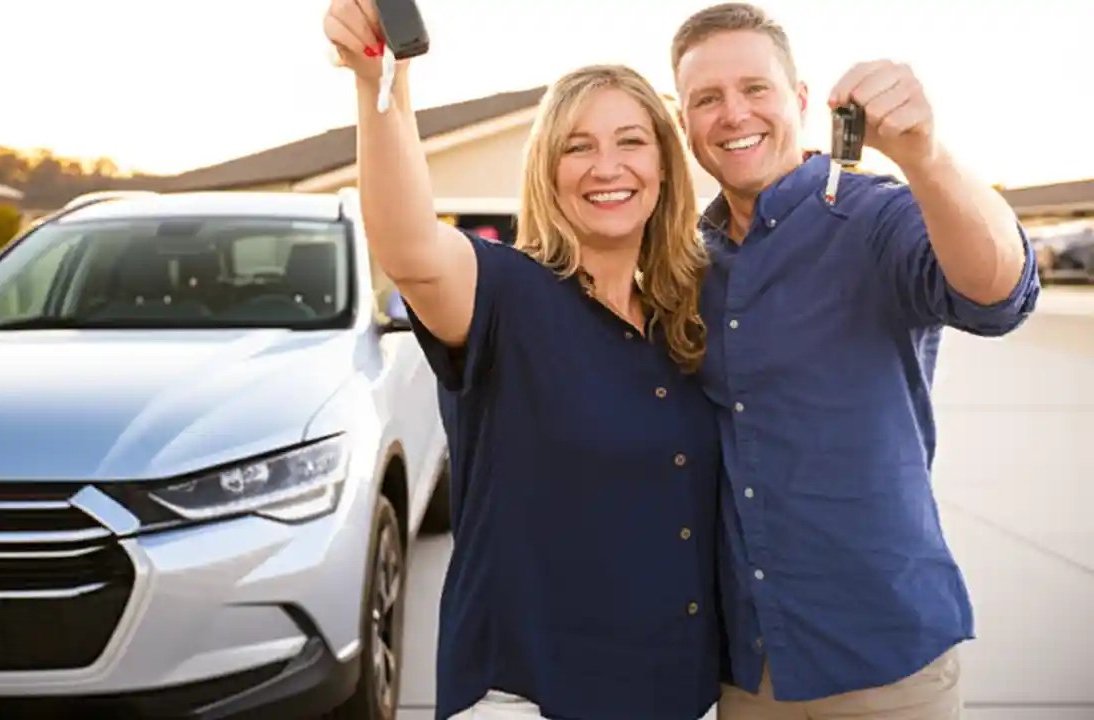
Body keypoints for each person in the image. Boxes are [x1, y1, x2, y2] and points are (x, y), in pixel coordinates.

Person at [323, 2, 726, 718]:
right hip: (527, 694)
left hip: (673, 690)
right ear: (549, 170)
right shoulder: (504, 294)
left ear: (664, 164)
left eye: (630, 141)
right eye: (578, 147)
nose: (607, 167)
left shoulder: (686, 318)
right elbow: (410, 248)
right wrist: (380, 87)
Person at [669, 3, 1041, 718]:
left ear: (801, 100)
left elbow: (998, 293)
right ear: (684, 120)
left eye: (755, 89)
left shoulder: (877, 216)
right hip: (748, 670)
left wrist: (925, 153)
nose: (732, 113)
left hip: (885, 662)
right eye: (705, 99)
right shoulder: (690, 261)